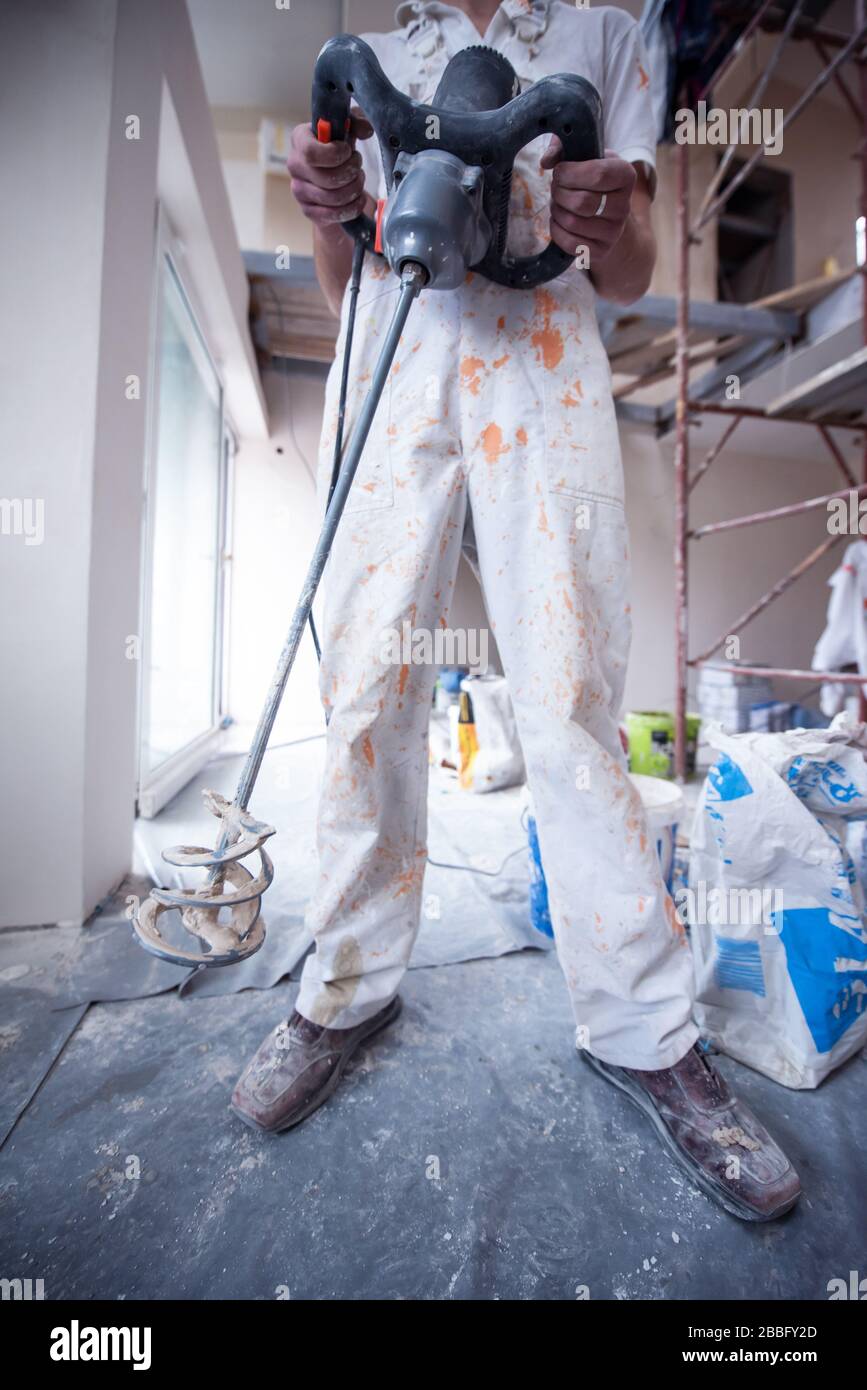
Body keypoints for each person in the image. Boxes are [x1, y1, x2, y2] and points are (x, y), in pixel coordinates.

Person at [232, 0, 800, 1223]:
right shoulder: (391, 36)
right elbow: (345, 279)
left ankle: (643, 1026)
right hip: (398, 334)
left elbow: (636, 264)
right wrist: (329, 200)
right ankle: (344, 983)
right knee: (370, 677)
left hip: (541, 337)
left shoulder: (605, 25)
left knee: (571, 689)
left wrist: (612, 213)